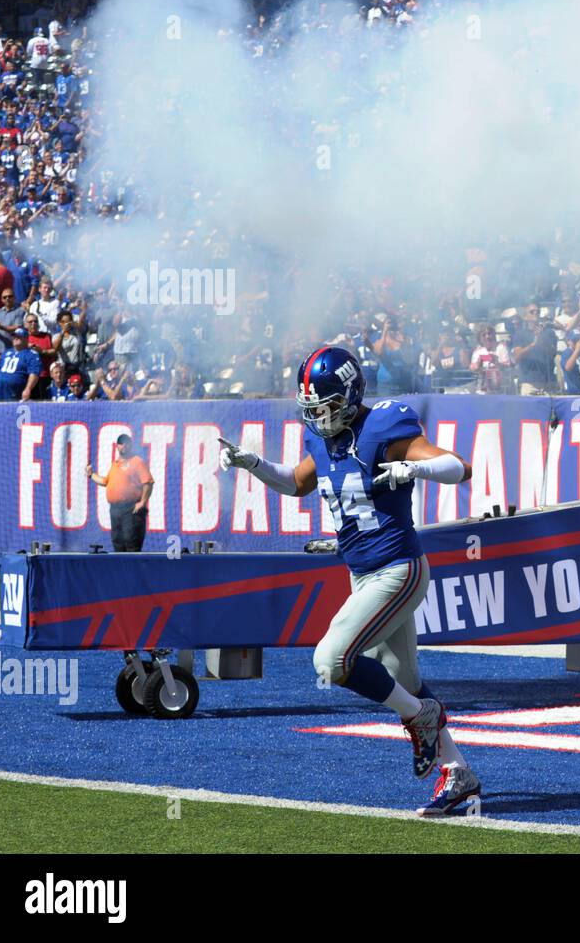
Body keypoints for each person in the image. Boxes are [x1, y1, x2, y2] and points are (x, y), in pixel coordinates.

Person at [218, 345, 479, 815]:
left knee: (332, 660)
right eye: (312, 410)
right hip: (364, 575)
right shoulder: (322, 439)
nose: (319, 417)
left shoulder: (384, 425)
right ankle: (458, 772)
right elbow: (296, 483)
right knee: (404, 679)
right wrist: (252, 464)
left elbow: (460, 467)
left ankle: (419, 717)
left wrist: (414, 466)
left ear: (351, 393)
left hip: (398, 568)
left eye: (327, 406)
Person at [86, 434, 153, 552]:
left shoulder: (137, 462)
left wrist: (142, 502)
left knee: (131, 542)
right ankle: (120, 568)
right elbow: (105, 481)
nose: (124, 445)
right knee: (118, 542)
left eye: (127, 443)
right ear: (117, 446)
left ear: (131, 445)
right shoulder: (115, 464)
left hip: (131, 509)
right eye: (121, 443)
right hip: (115, 510)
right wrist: (91, 474)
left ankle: (132, 569)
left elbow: (148, 482)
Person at [0, 326, 40, 401]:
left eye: (19, 337)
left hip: (15, 392)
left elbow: (34, 373)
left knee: (12, 411)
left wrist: (28, 389)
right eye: (14, 336)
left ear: (26, 339)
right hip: (0, 391)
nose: (15, 338)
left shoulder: (31, 354)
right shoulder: (6, 352)